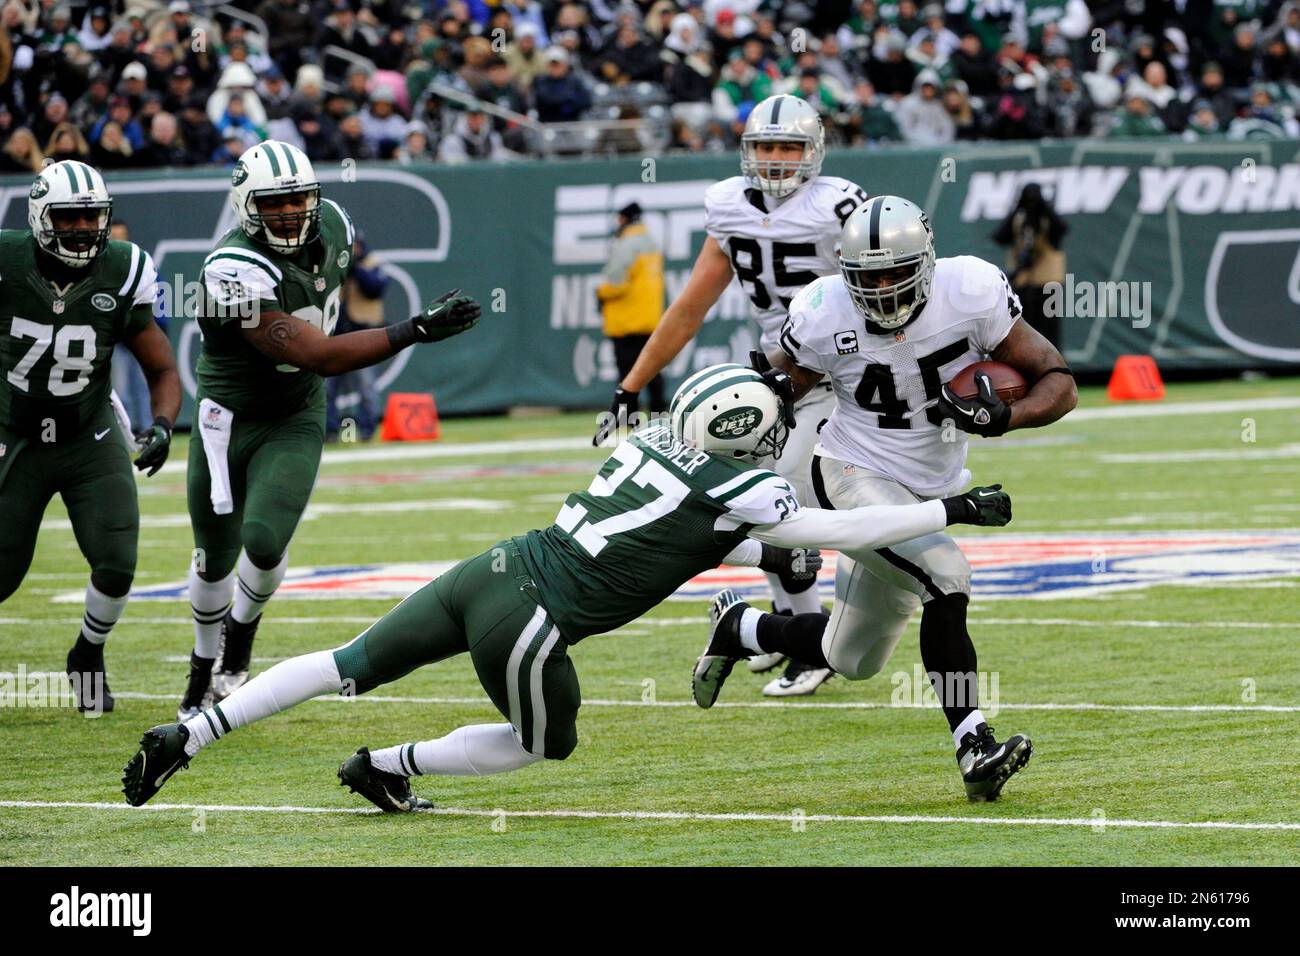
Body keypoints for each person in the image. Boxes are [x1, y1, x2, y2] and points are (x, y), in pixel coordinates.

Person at [122, 363, 1013, 810]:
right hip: (534, 620)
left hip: (496, 567)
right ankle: (386, 767)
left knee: (346, 660)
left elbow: (667, 536)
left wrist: (762, 556)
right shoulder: (740, 481)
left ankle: (191, 730)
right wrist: (950, 507)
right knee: (546, 747)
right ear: (746, 434)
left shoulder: (653, 446)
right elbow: (837, 529)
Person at [694, 195, 1078, 801]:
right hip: (852, 471)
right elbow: (779, 388)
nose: (881, 287)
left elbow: (1059, 380)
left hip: (927, 484)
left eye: (894, 272)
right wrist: (755, 402)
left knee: (850, 658)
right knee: (945, 576)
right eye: (866, 276)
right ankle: (974, 745)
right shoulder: (823, 311)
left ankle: (745, 629)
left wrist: (1005, 415)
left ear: (926, 261)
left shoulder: (971, 290)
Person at [176, 140, 484, 720]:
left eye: (299, 198)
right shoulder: (230, 268)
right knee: (213, 556)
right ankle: (199, 668)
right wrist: (413, 328)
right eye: (275, 203)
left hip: (293, 413)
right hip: (228, 417)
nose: (292, 212)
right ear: (246, 206)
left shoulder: (337, 224)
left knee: (265, 541)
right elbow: (317, 353)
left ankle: (237, 647)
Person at [594, 94, 870, 699]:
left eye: (788, 147)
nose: (774, 159)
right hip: (780, 370)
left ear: (813, 152)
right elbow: (689, 307)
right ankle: (786, 624)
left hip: (841, 369)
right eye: (765, 147)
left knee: (785, 494)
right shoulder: (729, 207)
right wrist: (630, 385)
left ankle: (807, 640)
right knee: (755, 493)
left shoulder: (839, 206)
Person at [0, 161, 181, 713]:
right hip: (14, 434)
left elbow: (162, 369)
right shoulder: (6, 262)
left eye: (92, 215)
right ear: (39, 216)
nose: (82, 227)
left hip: (88, 431)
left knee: (117, 556)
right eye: (70, 216)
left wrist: (164, 424)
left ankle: (88, 651)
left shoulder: (124, 270)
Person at [596, 202, 666, 413]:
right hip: (649, 318)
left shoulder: (626, 244)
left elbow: (616, 283)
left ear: (624, 219)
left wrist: (600, 293)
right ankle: (659, 414)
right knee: (652, 370)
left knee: (628, 376)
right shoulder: (651, 242)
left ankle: (628, 418)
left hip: (627, 321)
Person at [325, 231, 388, 442]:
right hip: (337, 336)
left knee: (366, 387)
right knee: (327, 388)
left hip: (364, 334)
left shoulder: (372, 263)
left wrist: (356, 269)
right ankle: (330, 431)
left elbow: (375, 289)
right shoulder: (334, 265)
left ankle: (367, 430)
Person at [991, 183, 1068, 350]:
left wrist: (1044, 208)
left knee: (1050, 329)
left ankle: (1054, 366)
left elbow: (1062, 229)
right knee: (1025, 328)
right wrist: (1016, 210)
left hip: (1048, 282)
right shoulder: (1018, 219)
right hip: (1024, 282)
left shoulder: (1047, 218)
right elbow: (999, 236)